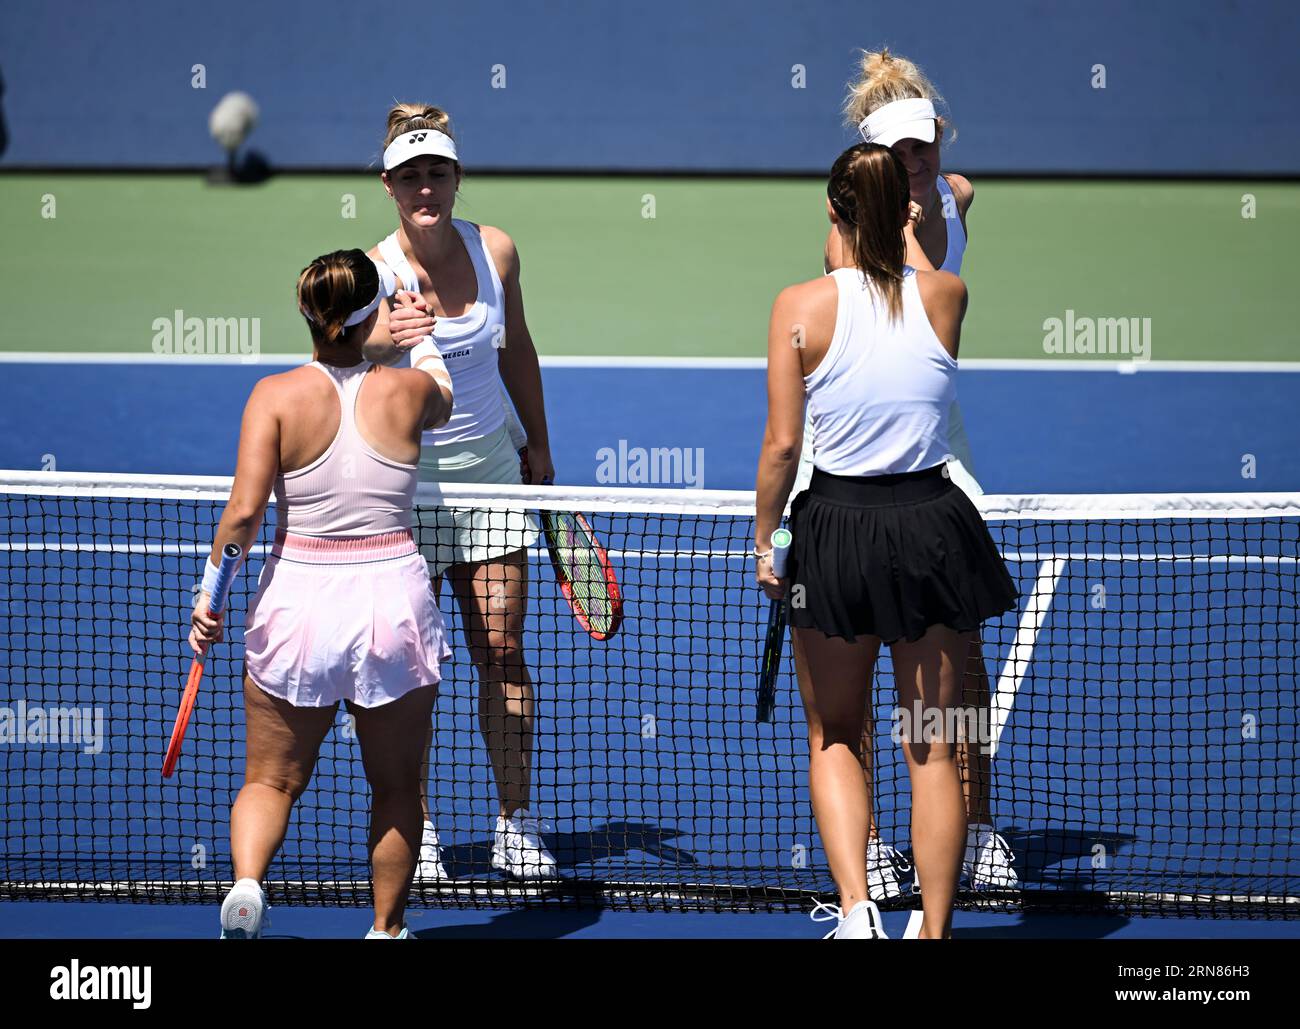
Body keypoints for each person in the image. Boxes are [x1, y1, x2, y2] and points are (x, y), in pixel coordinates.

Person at [755, 144, 1018, 939]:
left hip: (834, 529)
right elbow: (895, 270)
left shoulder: (796, 306)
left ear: (831, 214)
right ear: (906, 214)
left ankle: (858, 914)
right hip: (933, 528)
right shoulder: (948, 296)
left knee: (836, 733)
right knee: (933, 746)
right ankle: (932, 933)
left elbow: (780, 447)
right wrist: (901, 220)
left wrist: (766, 539)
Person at [191, 249, 455, 939]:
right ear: (371, 315)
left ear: (306, 312)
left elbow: (243, 516)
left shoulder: (273, 397)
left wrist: (210, 595)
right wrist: (419, 326)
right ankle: (385, 931)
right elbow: (445, 392)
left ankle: (247, 885)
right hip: (390, 603)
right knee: (397, 787)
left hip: (297, 603)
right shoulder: (406, 394)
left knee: (269, 781)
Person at [362, 103, 557, 881]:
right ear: (388, 184)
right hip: (404, 494)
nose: (425, 186)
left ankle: (515, 820)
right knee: (412, 669)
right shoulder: (373, 272)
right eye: (410, 175)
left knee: (502, 653)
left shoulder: (496, 249)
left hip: (493, 481)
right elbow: (348, 357)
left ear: (456, 175)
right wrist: (387, 335)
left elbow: (521, 350)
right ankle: (420, 824)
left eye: (437, 171)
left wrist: (539, 441)